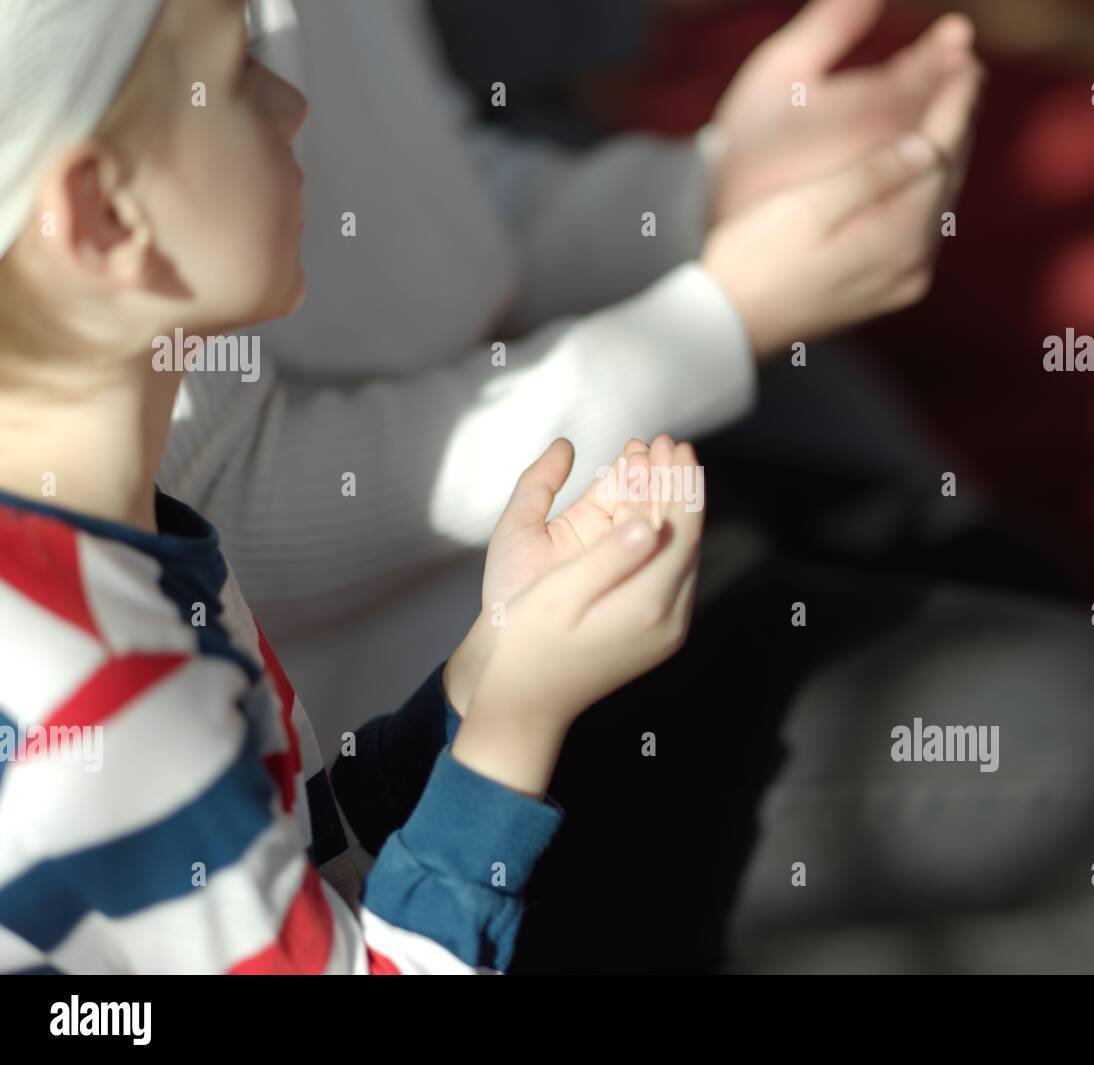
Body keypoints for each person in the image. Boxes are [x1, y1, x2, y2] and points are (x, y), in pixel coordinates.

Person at [0, 0, 712, 975]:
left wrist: (491, 659)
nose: (293, 106)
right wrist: (520, 720)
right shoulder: (118, 691)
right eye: (242, 74)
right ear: (105, 217)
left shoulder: (111, 564)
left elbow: (284, 859)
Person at [160, 0, 984, 756]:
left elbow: (445, 209)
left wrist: (704, 188)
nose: (289, 107)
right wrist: (723, 319)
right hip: (419, 748)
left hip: (607, 561)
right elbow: (217, 520)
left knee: (991, 561)